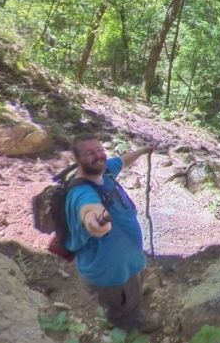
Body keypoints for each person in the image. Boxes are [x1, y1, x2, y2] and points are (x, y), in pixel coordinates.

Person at [65, 135, 155, 330]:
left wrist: (144, 150)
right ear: (78, 160)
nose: (98, 156)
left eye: (99, 150)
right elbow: (89, 214)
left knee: (134, 286)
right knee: (121, 311)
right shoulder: (81, 192)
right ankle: (128, 326)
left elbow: (122, 161)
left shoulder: (104, 172)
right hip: (110, 269)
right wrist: (97, 221)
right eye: (90, 153)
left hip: (126, 258)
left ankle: (133, 301)